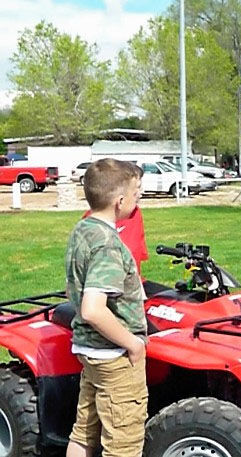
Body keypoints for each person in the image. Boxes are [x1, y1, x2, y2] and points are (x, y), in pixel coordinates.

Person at [65, 159, 148, 457]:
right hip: (115, 357)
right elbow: (92, 309)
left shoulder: (82, 231)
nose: (138, 199)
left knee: (84, 431)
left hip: (90, 352)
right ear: (119, 201)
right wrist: (133, 344)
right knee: (122, 445)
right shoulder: (108, 245)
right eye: (136, 194)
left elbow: (72, 288)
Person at [83, 165, 149, 275]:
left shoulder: (135, 214)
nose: (140, 192)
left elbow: (135, 263)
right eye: (137, 188)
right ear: (120, 199)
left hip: (132, 284)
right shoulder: (92, 225)